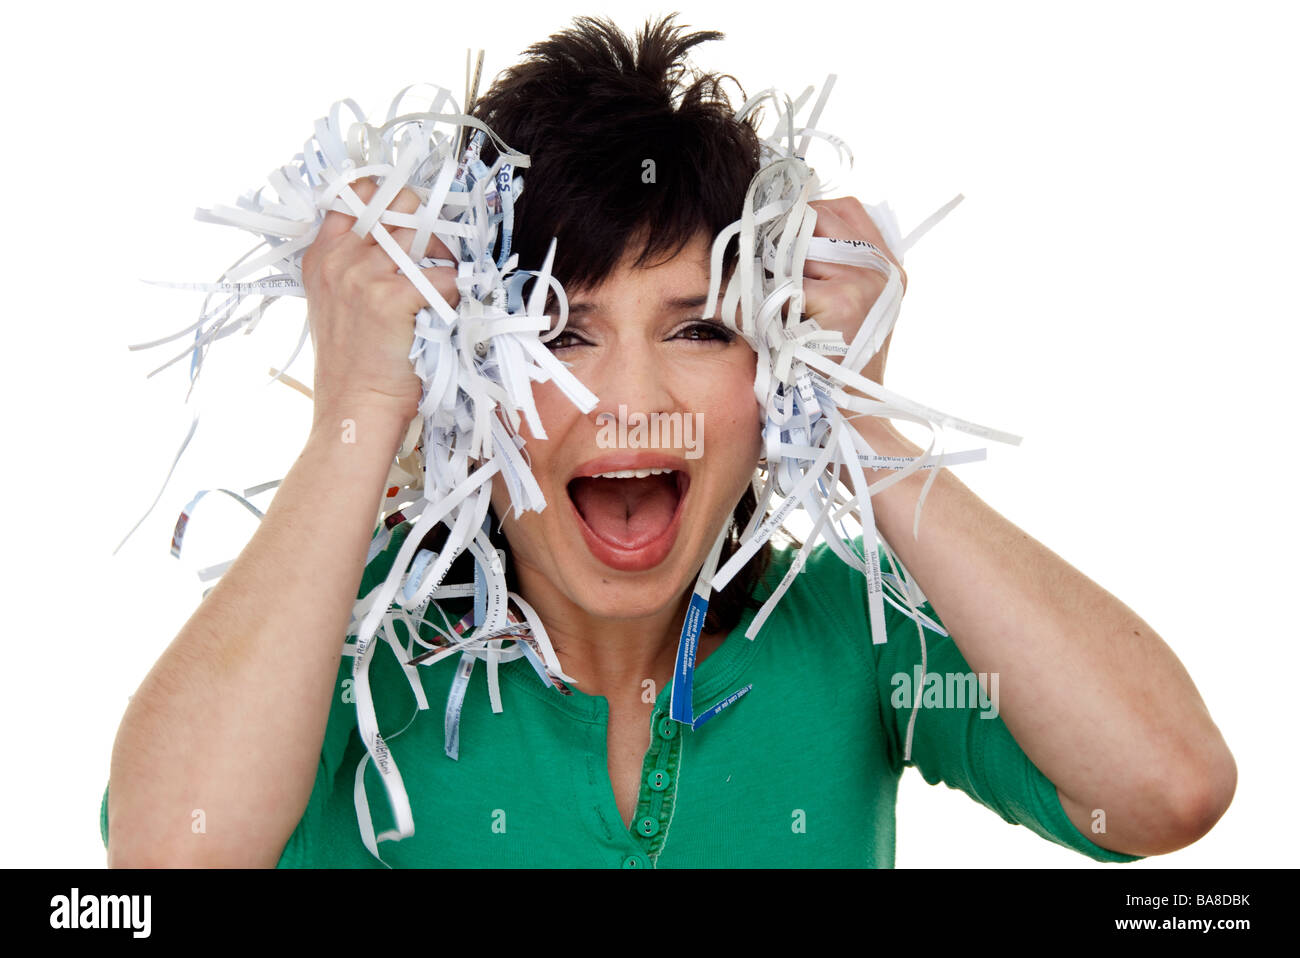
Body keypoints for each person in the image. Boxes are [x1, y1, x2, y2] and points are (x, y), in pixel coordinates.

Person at [101, 14, 1235, 868]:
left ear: (773, 363)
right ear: (467, 377)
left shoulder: (849, 632)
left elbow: (1167, 786)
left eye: (698, 327)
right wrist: (356, 408)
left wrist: (864, 420)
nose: (629, 400)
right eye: (559, 334)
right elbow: (162, 862)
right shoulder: (346, 657)